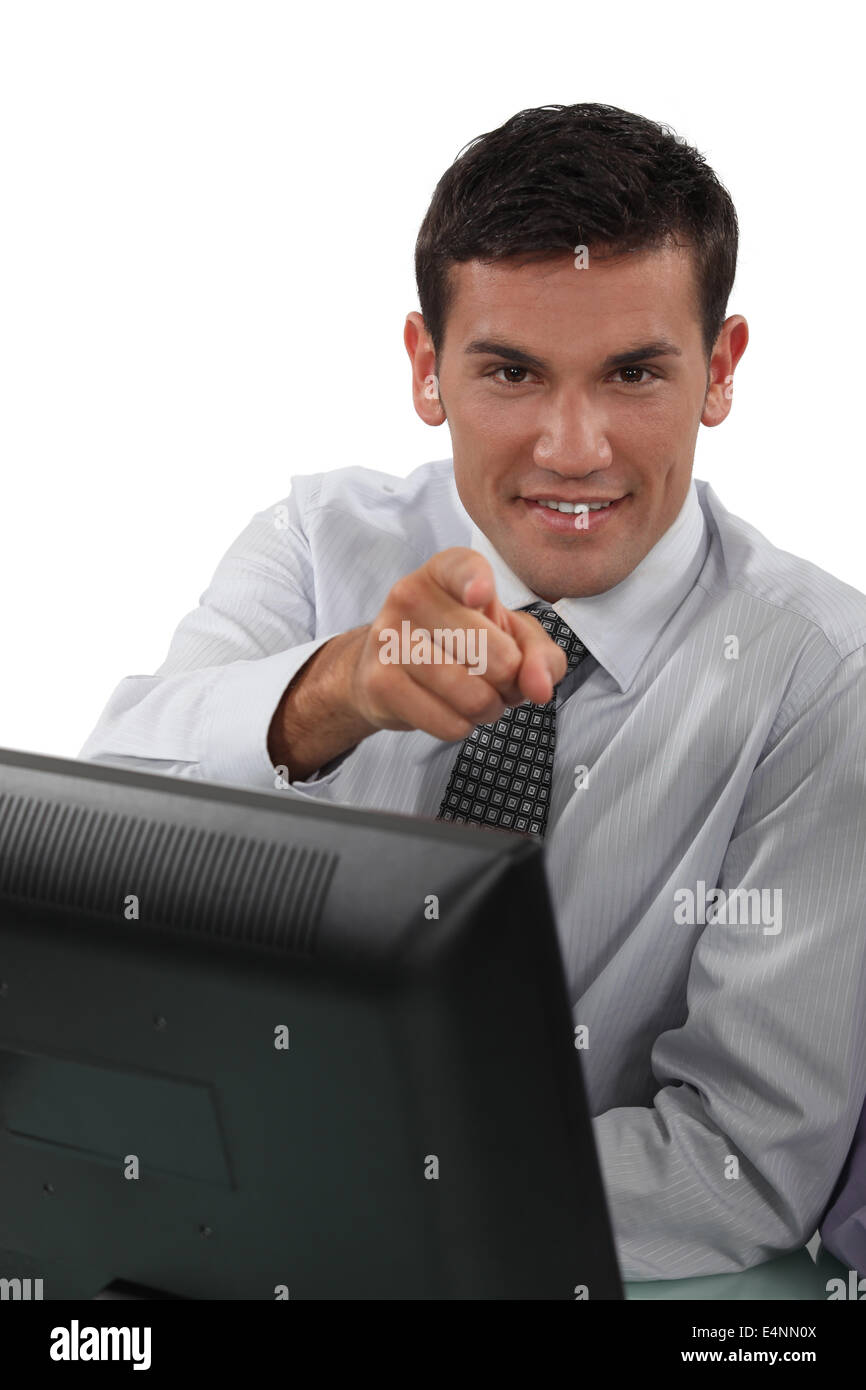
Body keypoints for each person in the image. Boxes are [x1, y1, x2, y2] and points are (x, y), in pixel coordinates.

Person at [78, 103, 866, 1283]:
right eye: (508, 370)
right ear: (423, 367)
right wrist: (330, 694)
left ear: (719, 369)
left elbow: (739, 1165)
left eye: (634, 372)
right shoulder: (313, 544)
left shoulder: (821, 676)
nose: (570, 447)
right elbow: (90, 864)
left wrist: (335, 1183)